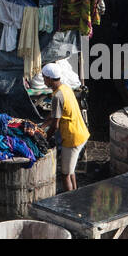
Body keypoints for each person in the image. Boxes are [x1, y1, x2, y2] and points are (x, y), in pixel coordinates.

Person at [43, 63, 89, 191]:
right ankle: (75, 195)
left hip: (72, 138)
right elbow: (54, 115)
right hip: (81, 133)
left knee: (65, 175)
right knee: (71, 170)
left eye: (44, 78)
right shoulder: (66, 88)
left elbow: (55, 124)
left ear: (50, 79)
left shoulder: (57, 96)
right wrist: (42, 125)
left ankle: (70, 202)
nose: (43, 80)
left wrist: (44, 139)